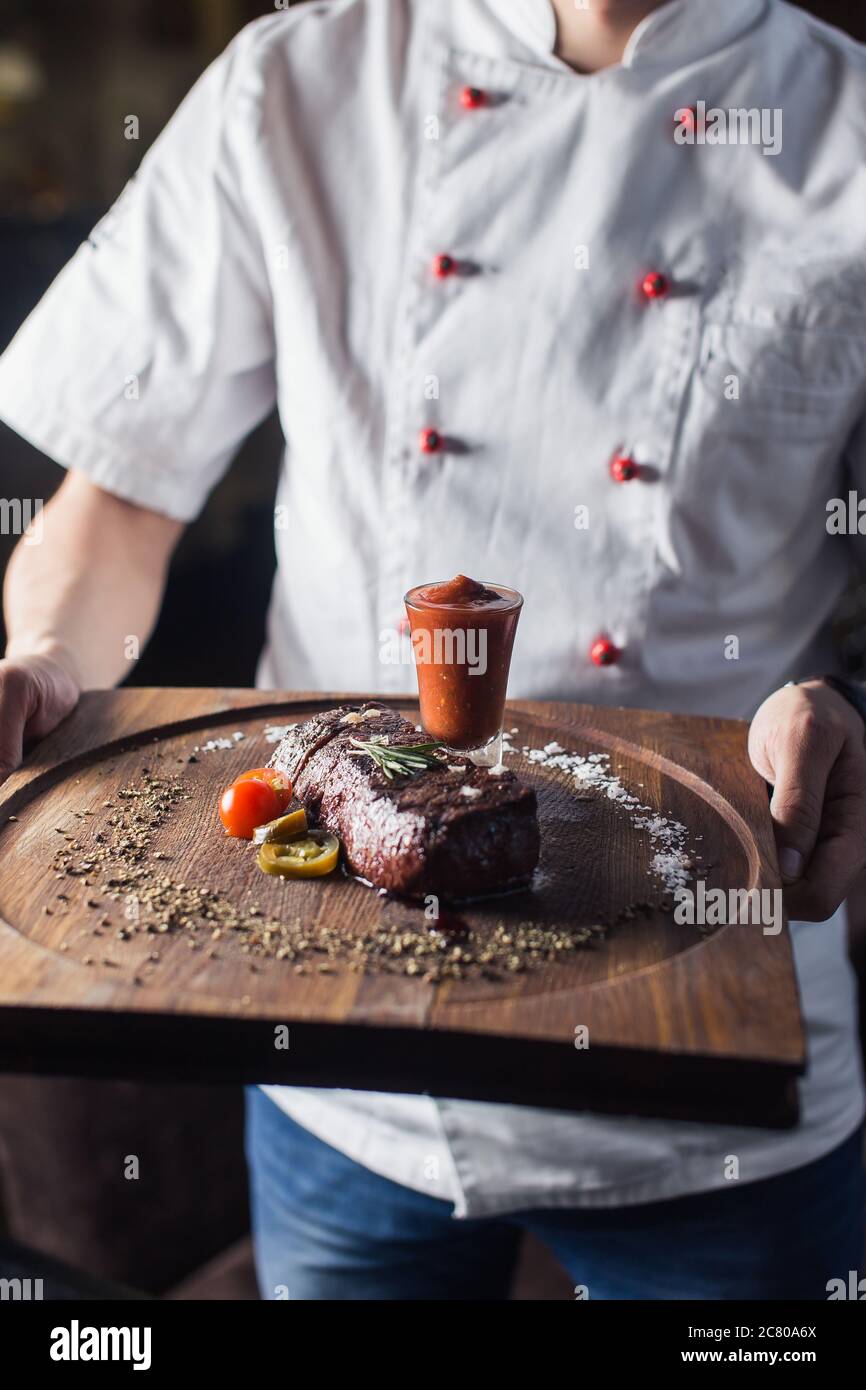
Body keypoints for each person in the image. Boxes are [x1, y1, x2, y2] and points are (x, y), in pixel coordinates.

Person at [1, 0, 865, 1300]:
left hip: (715, 1066)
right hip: (336, 1045)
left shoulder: (847, 128)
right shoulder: (299, 79)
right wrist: (47, 657)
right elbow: (120, 494)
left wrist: (850, 706)